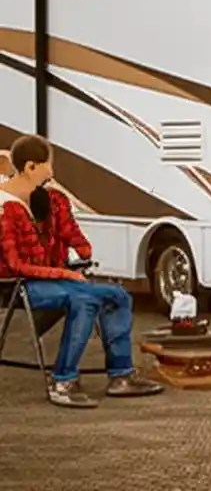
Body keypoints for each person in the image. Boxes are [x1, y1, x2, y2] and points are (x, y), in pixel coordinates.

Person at [0, 134, 163, 408]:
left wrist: (76, 252)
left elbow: (67, 237)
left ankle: (121, 376)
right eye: (48, 165)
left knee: (117, 295)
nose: (51, 173)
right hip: (19, 284)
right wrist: (65, 274)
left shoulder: (45, 199)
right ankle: (63, 380)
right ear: (30, 167)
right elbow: (16, 266)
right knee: (84, 298)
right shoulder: (4, 206)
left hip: (50, 278)